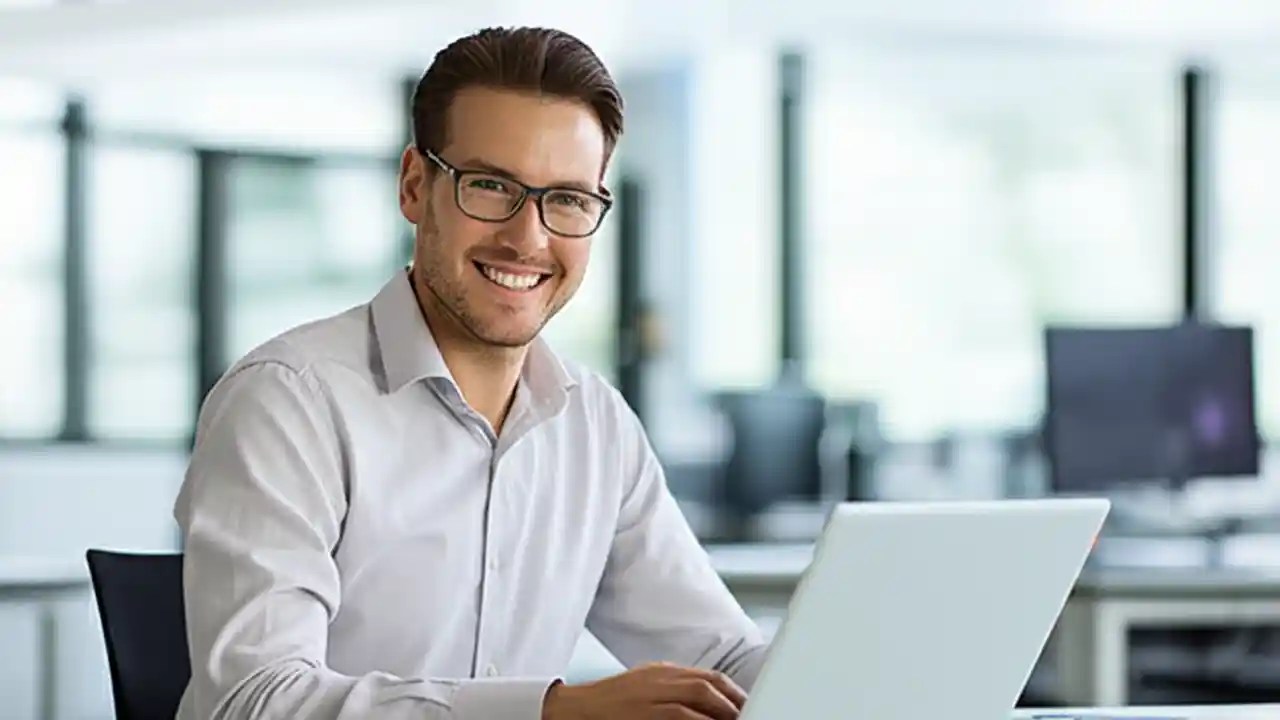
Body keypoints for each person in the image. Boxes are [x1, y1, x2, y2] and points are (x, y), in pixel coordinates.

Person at [175, 26, 769, 720]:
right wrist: (548, 713)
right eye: (490, 186)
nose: (529, 238)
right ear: (414, 186)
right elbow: (254, 701)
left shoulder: (595, 425)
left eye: (569, 200)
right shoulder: (289, 400)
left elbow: (723, 660)